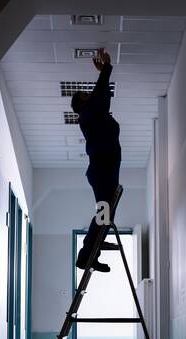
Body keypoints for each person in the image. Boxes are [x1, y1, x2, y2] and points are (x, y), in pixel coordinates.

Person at [71, 48, 120, 273]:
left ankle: (93, 247)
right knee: (104, 211)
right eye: (85, 96)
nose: (89, 95)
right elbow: (101, 95)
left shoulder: (92, 115)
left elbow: (100, 96)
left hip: (103, 167)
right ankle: (87, 254)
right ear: (82, 106)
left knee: (106, 211)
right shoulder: (89, 115)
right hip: (102, 168)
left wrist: (104, 73)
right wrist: (106, 69)